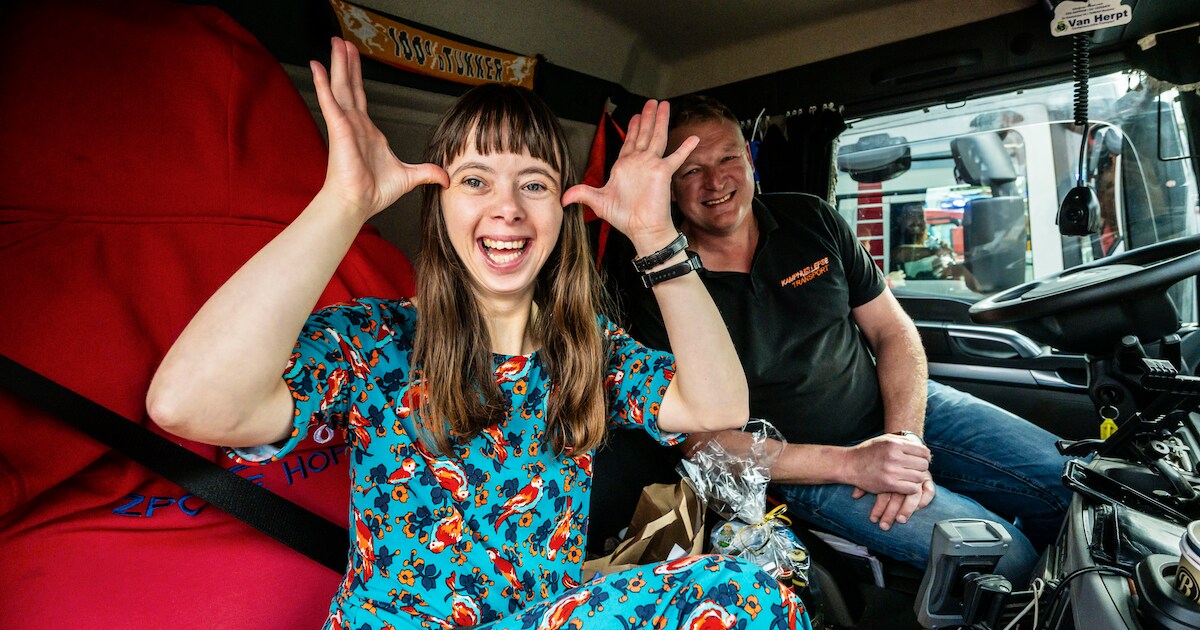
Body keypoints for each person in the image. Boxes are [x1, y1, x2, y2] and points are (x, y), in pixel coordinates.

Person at [146, 39, 810, 629]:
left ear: (560, 211)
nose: (507, 209)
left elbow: (719, 406)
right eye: (474, 180)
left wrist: (656, 236)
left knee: (750, 591)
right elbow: (188, 405)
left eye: (534, 184)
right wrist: (341, 205)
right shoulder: (374, 338)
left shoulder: (588, 347)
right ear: (442, 205)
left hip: (539, 616)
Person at [606, 94, 1073, 583]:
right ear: (670, 188)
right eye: (690, 170)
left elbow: (892, 332)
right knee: (1008, 557)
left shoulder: (812, 220)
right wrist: (854, 464)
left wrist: (902, 440)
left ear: (750, 160)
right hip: (804, 469)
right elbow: (699, 443)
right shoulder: (658, 281)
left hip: (903, 410)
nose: (716, 181)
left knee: (1071, 482)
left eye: (727, 158)